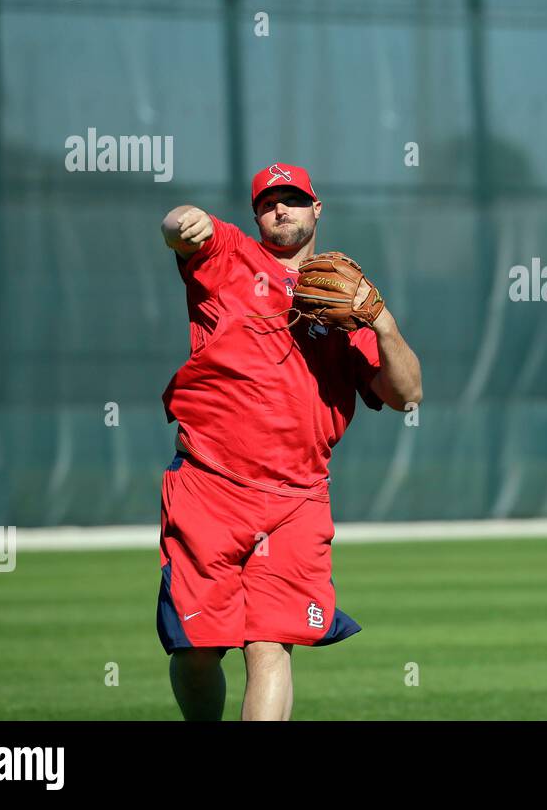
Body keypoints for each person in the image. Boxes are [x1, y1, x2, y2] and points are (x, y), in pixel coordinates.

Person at [157, 162, 422, 720]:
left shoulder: (344, 300)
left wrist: (383, 325)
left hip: (297, 498)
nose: (281, 209)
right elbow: (178, 226)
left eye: (294, 199)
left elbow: (408, 395)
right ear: (255, 214)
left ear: (316, 208)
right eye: (268, 202)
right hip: (211, 483)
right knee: (199, 648)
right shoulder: (229, 255)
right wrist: (188, 222)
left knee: (270, 643)